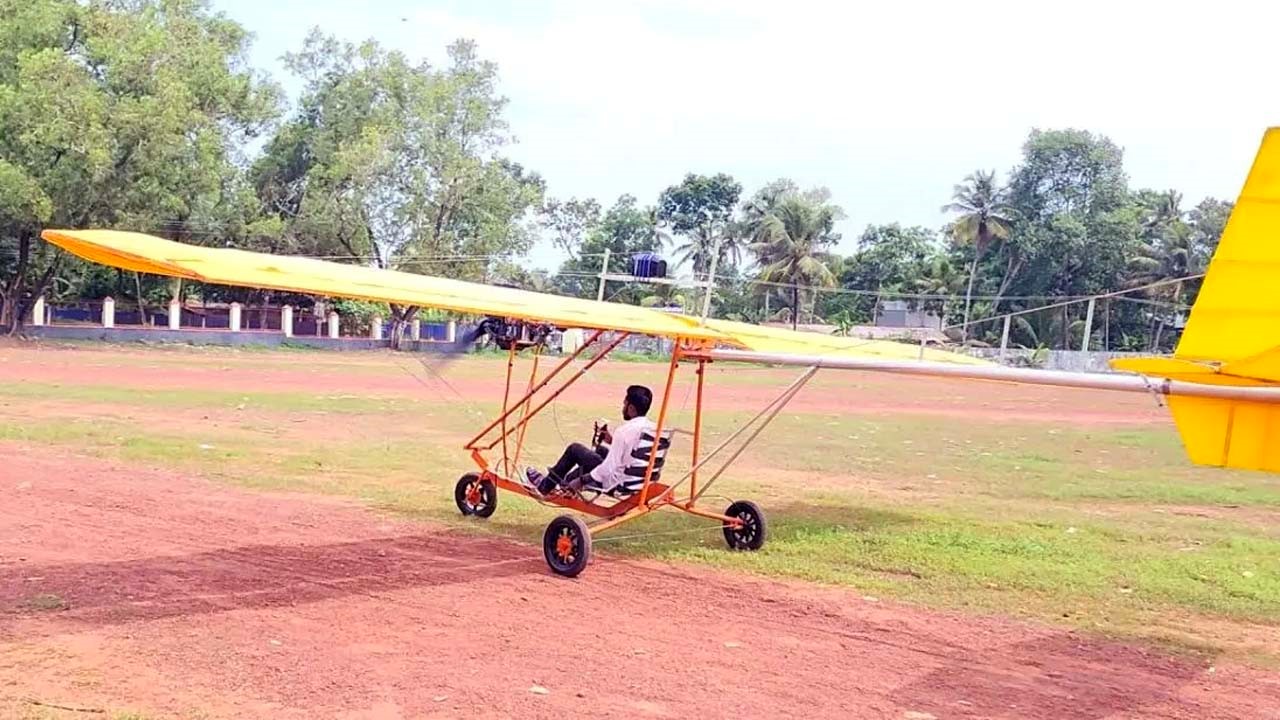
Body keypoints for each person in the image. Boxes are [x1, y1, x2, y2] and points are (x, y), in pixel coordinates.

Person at [525, 385, 655, 496]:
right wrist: (611, 440)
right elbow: (634, 450)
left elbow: (607, 468)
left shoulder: (624, 431)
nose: (623, 407)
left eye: (624, 404)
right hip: (638, 483)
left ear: (631, 408)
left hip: (617, 484)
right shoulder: (653, 429)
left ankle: (545, 486)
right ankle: (563, 483)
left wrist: (581, 481)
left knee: (574, 449)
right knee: (600, 451)